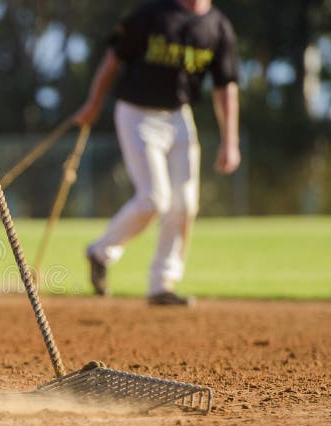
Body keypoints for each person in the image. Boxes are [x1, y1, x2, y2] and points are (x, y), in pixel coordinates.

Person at [74, 0, 240, 305]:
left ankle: (162, 284)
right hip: (136, 112)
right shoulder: (151, 14)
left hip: (179, 116)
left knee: (185, 204)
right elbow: (114, 58)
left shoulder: (217, 27)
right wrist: (94, 103)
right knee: (154, 198)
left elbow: (225, 86)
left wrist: (230, 141)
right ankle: (101, 252)